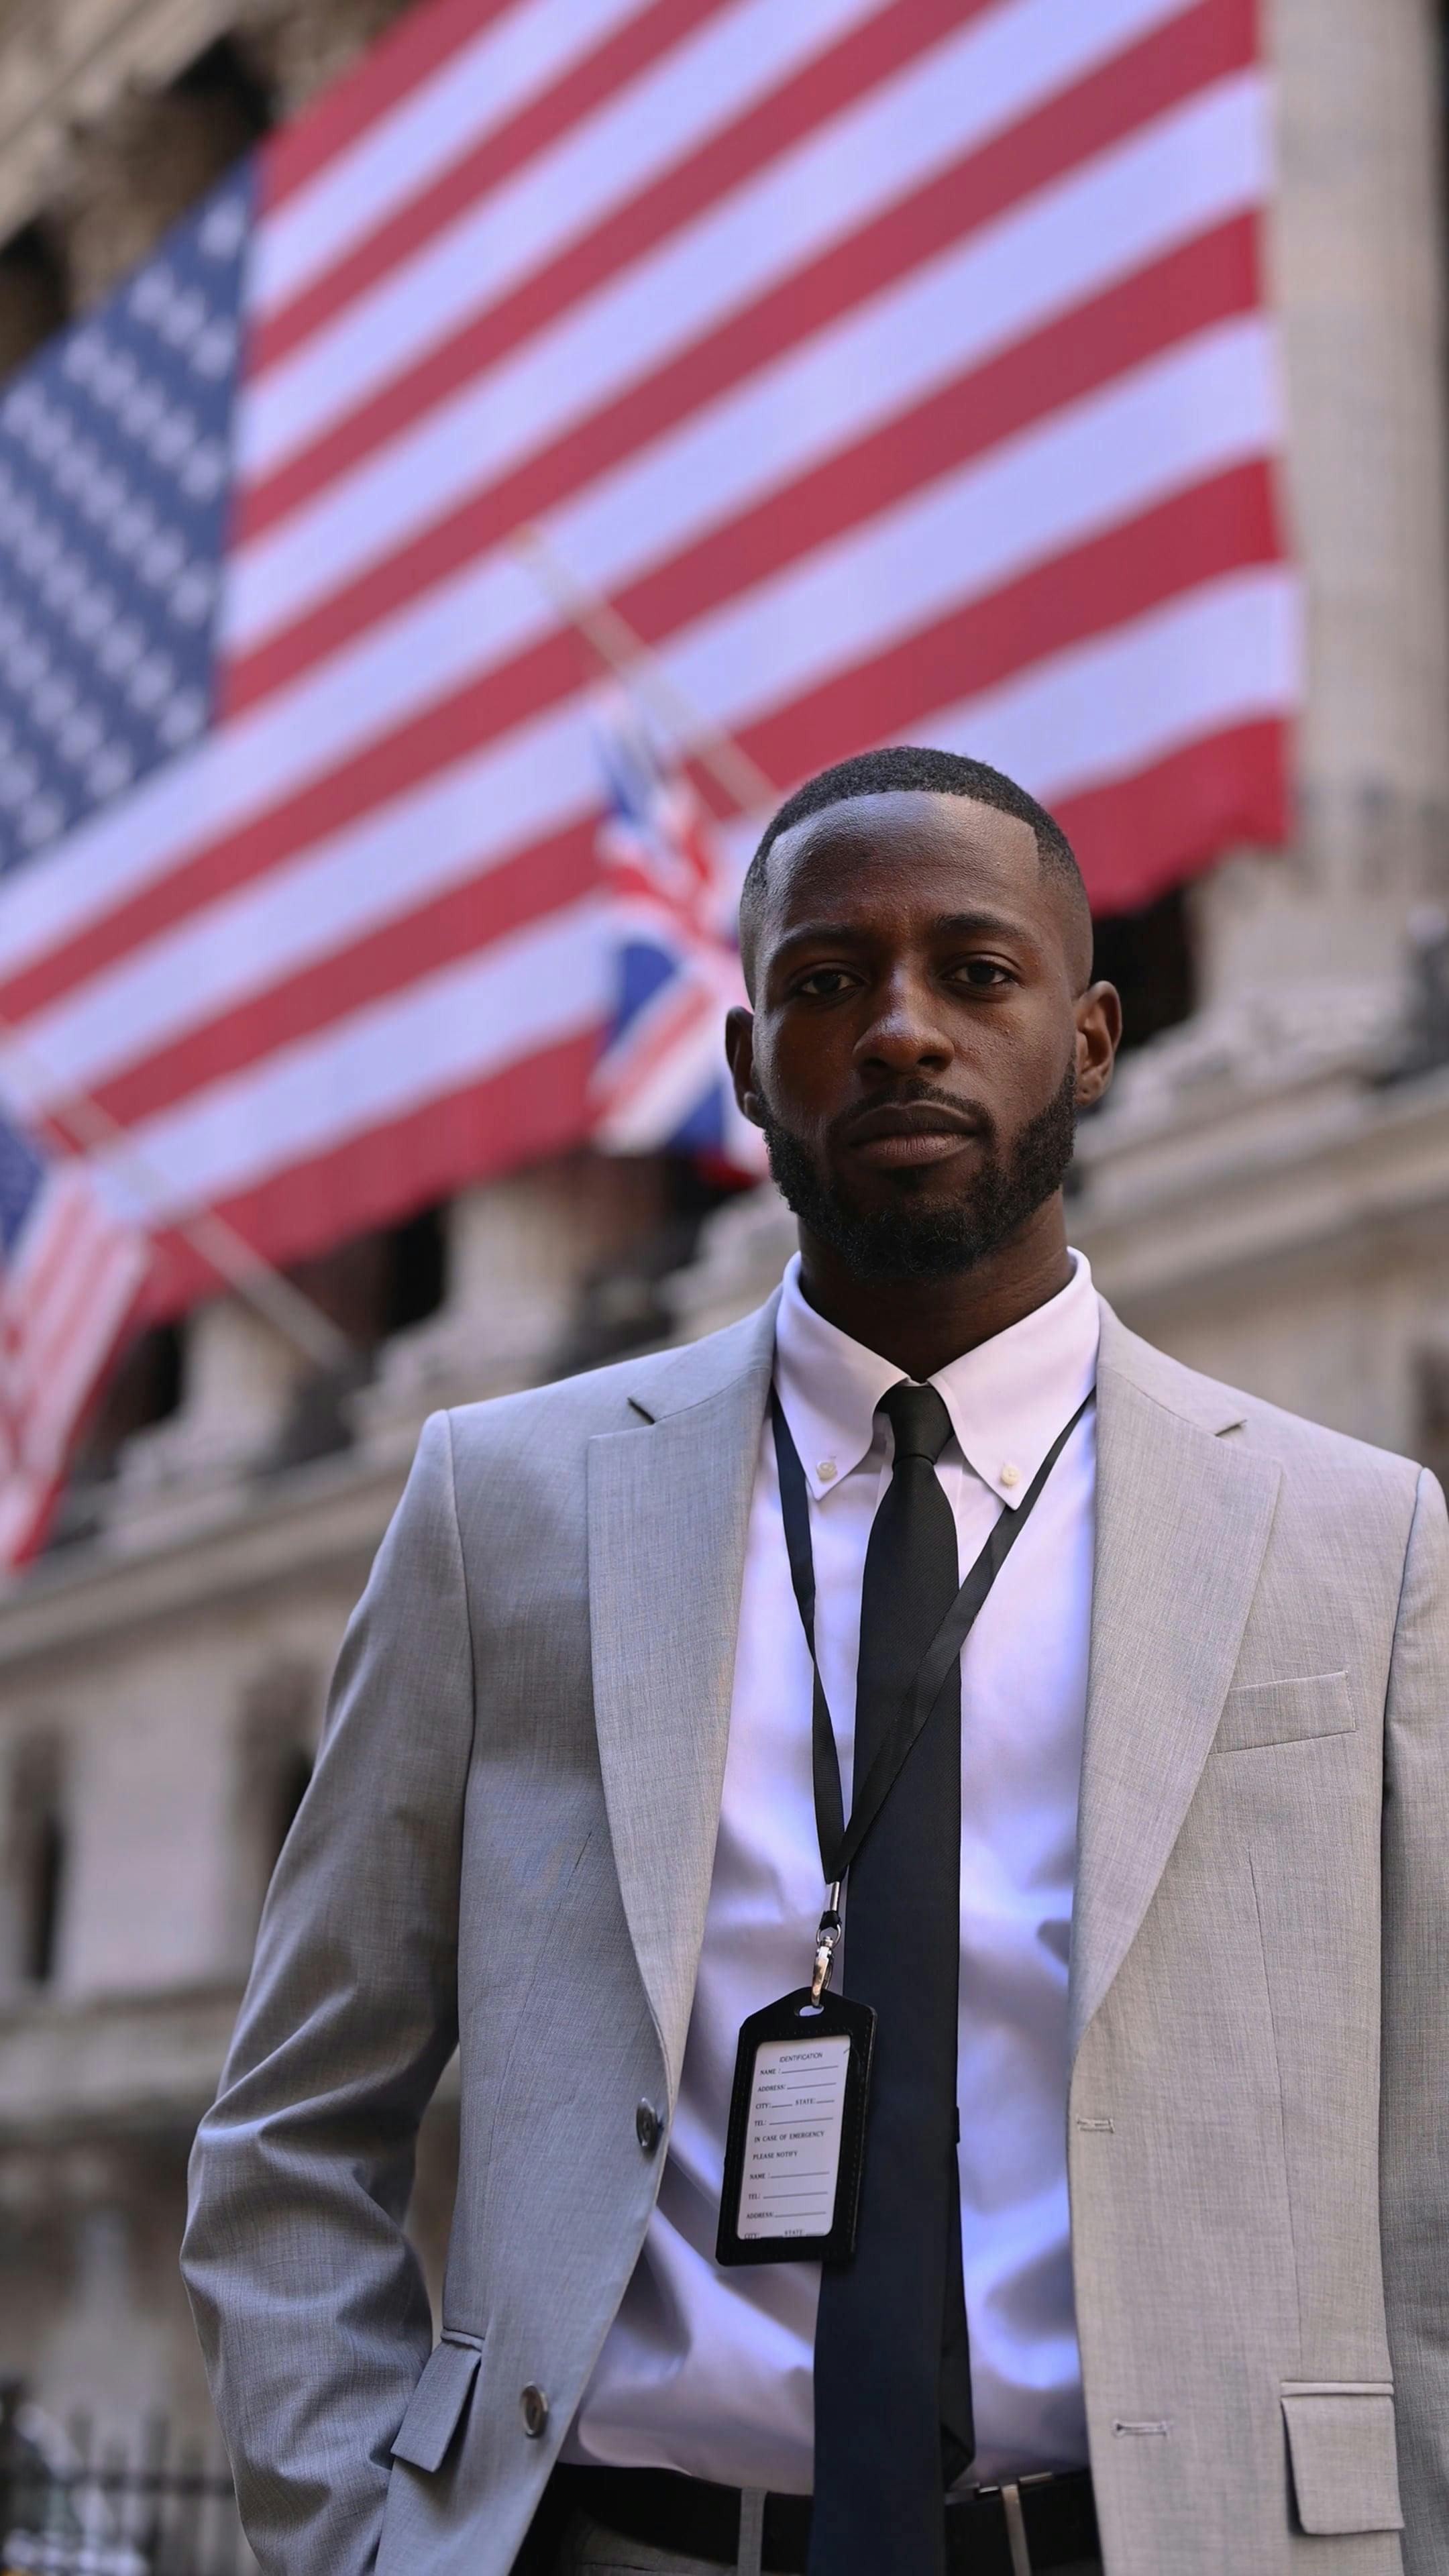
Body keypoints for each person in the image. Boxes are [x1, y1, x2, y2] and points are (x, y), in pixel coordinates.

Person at [182, 746, 1449, 2576]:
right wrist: (358, 2542)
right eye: (829, 982)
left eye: (976, 973)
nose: (903, 1032)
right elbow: (296, 2123)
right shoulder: (505, 1507)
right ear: (747, 1063)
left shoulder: (1359, 1535)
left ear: (1090, 1037)